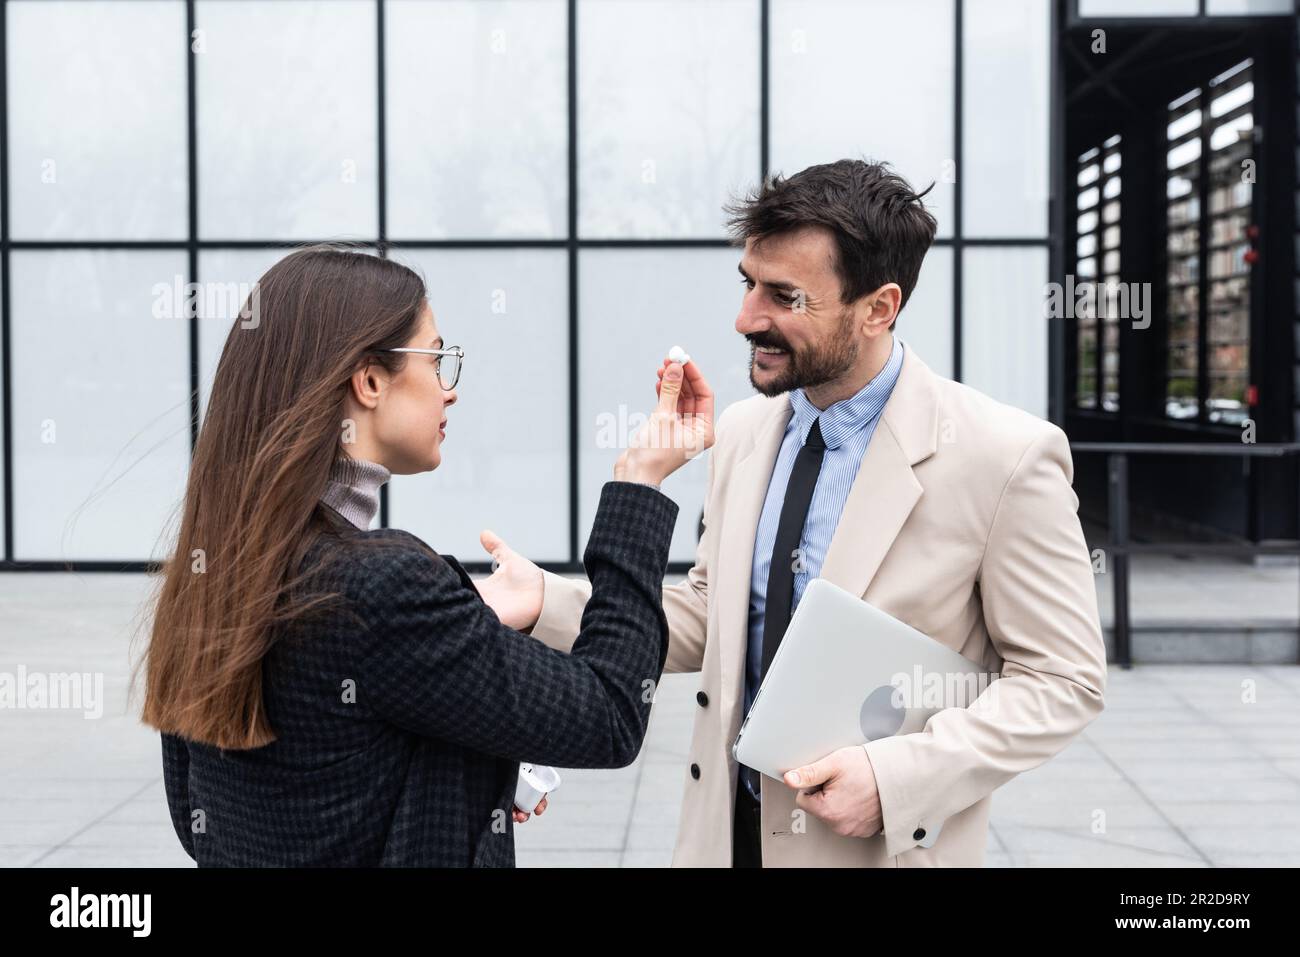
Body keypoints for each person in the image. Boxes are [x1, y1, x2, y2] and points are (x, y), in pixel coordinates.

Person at [477, 159, 1108, 867]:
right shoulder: (746, 430)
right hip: (724, 839)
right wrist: (551, 602)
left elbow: (1064, 680)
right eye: (748, 283)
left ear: (878, 307)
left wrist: (897, 778)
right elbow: (713, 613)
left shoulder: (1006, 456)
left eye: (784, 296)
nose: (746, 318)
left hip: (871, 850)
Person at [139, 245, 714, 866]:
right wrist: (639, 484)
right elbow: (609, 713)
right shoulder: (380, 584)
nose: (449, 391)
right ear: (368, 379)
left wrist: (470, 765)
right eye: (437, 359)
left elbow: (199, 815)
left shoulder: (214, 566)